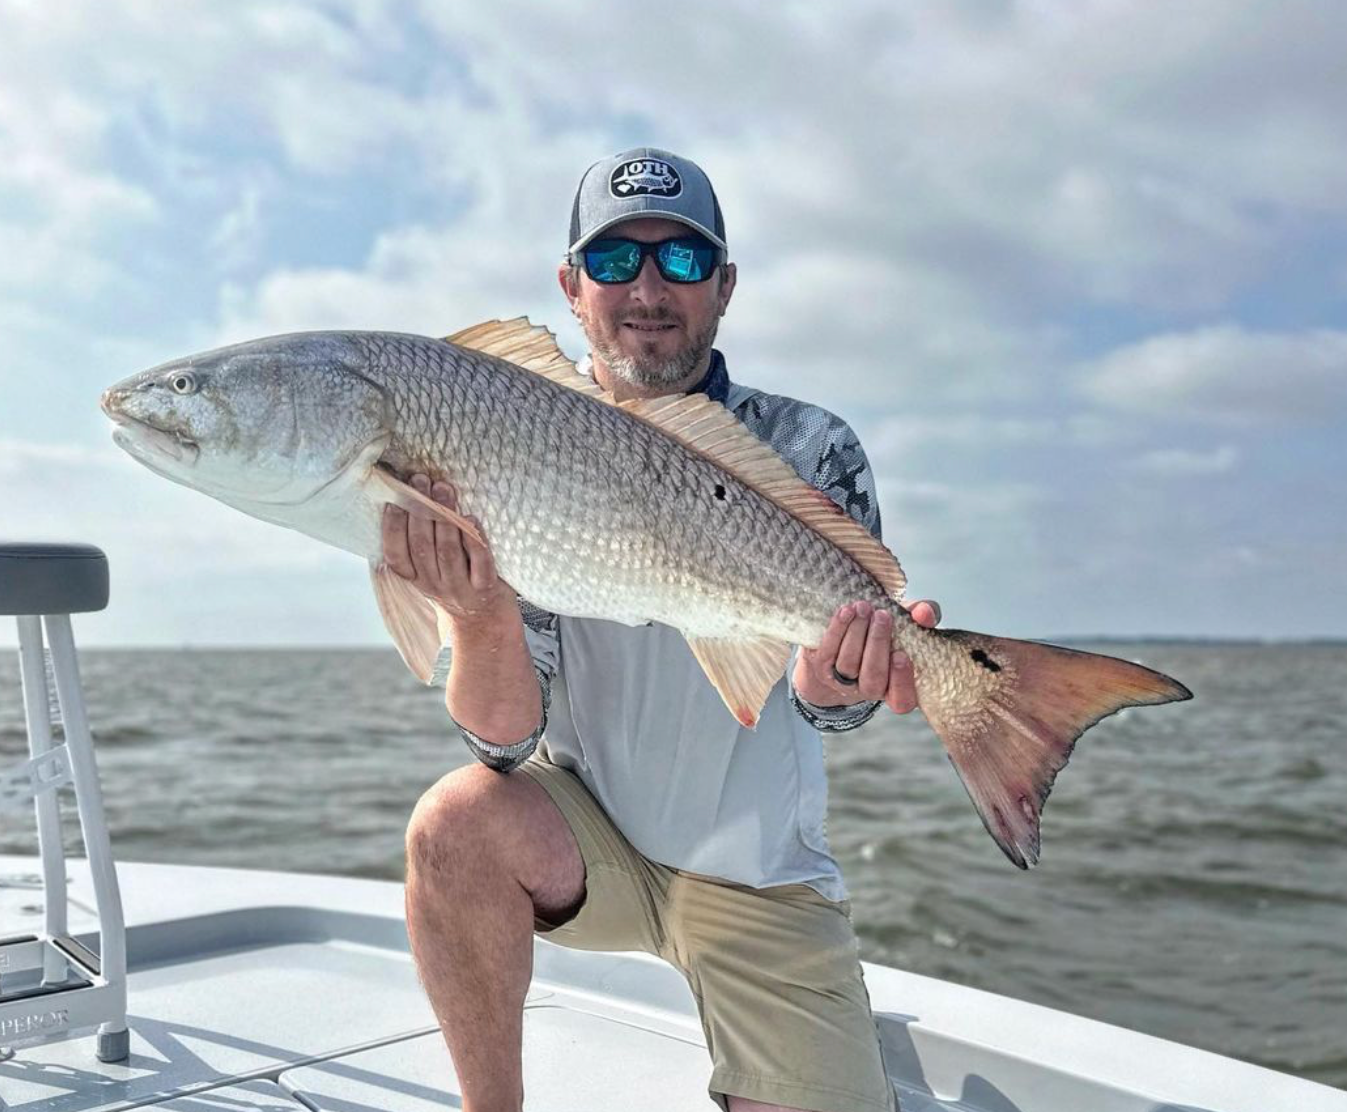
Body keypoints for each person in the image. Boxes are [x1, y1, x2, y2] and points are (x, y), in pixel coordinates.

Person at [386, 148, 941, 1112]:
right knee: (456, 821)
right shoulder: (503, 442)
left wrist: (831, 688)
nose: (648, 288)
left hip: (758, 877)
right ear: (571, 286)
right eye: (615, 263)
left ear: (725, 285)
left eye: (682, 261)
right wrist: (478, 615)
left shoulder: (811, 448)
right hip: (590, 842)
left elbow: (834, 706)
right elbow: (504, 740)